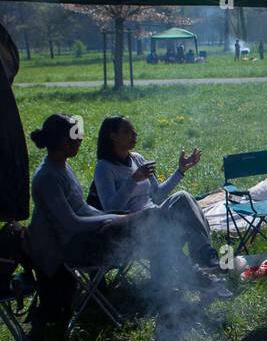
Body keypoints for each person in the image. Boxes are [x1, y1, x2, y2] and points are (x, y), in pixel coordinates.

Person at [26, 115, 229, 301]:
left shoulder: (63, 167)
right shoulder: (48, 178)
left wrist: (180, 171)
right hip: (75, 247)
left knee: (174, 206)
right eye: (75, 136)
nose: (80, 140)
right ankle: (196, 279)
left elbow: (86, 209)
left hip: (99, 232)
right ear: (63, 141)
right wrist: (116, 217)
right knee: (159, 225)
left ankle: (201, 266)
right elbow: (71, 223)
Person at [91, 116, 220, 272]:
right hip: (131, 226)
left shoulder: (137, 159)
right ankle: (195, 274)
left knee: (183, 197)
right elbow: (110, 207)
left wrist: (180, 171)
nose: (134, 135)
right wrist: (133, 180)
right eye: (128, 132)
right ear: (113, 136)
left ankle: (205, 256)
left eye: (134, 131)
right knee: (167, 219)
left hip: (155, 217)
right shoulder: (104, 168)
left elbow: (158, 194)